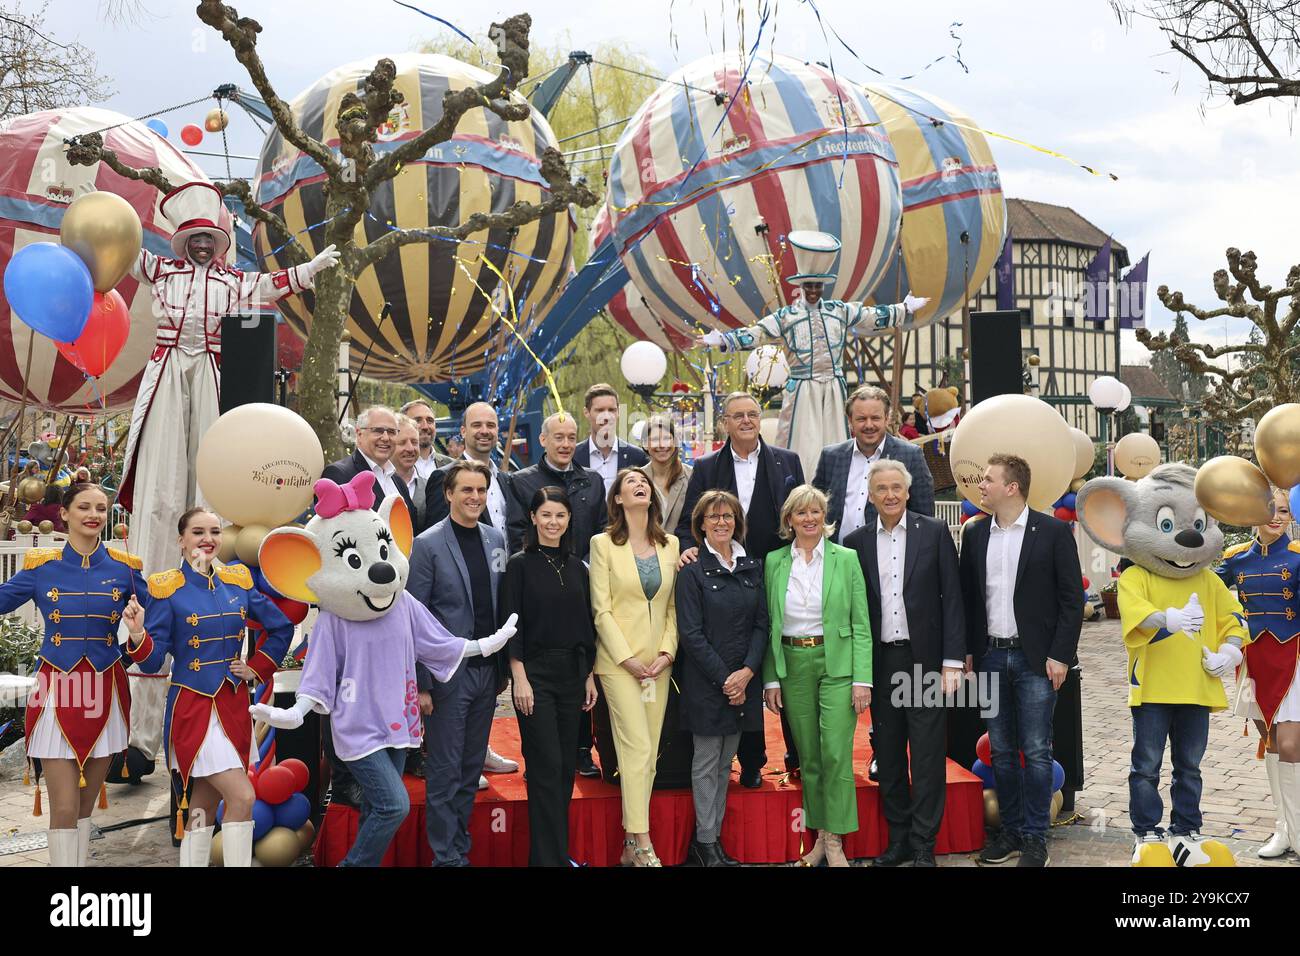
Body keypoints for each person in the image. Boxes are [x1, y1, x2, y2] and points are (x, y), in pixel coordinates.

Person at [134, 508, 295, 867]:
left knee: (203, 805)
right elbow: (151, 661)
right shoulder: (166, 589)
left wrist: (256, 667)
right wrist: (136, 635)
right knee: (243, 798)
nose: (207, 539)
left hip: (233, 709)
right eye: (197, 532)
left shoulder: (238, 583)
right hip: (193, 711)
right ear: (181, 541)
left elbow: (281, 628)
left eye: (214, 531)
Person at [0, 483, 150, 866]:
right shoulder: (41, 568)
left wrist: (131, 647)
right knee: (64, 808)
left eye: (101, 507)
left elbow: (161, 624)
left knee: (84, 809)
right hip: (57, 692)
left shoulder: (125, 570)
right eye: (84, 506)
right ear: (64, 514)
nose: (94, 514)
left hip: (106, 692)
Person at [697, 230, 926, 476]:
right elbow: (759, 332)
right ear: (802, 286)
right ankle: (795, 487)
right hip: (803, 387)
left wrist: (903, 309)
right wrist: (724, 339)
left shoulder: (838, 311)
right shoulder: (787, 317)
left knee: (835, 440)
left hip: (833, 386)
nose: (814, 290)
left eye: (818, 285)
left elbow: (869, 317)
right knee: (801, 441)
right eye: (809, 285)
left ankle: (837, 485)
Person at [960, 454, 1082, 868]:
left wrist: (1060, 655)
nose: (982, 484)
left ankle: (1035, 838)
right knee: (1002, 750)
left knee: (1036, 748)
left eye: (989, 479)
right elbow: (968, 600)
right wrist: (968, 653)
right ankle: (1010, 831)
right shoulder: (974, 535)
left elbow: (1071, 599)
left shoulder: (1051, 531)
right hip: (991, 656)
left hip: (1035, 660)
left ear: (1011, 487)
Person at [677, 391, 804, 787]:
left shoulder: (788, 461)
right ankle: (750, 759)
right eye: (738, 416)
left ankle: (796, 754)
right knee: (738, 661)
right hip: (725, 580)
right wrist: (688, 552)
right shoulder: (706, 466)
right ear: (725, 424)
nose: (747, 420)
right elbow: (686, 524)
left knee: (780, 663)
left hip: (777, 577)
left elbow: (799, 517)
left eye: (753, 414)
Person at [843, 460, 965, 867]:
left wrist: (951, 661)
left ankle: (924, 842)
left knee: (928, 755)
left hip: (925, 660)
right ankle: (899, 839)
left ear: (908, 492)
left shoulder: (934, 532)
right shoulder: (856, 542)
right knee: (890, 755)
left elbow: (953, 599)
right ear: (872, 495)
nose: (891, 494)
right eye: (882, 489)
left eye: (897, 487)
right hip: (881, 660)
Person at [762, 484, 871, 867]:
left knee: (835, 754)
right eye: (801, 512)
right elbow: (769, 624)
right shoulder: (774, 561)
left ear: (825, 517)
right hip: (792, 664)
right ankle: (821, 840)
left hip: (837, 663)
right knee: (808, 757)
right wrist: (771, 678)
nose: (809, 519)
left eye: (816, 511)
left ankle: (834, 840)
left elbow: (861, 623)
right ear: (789, 519)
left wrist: (863, 679)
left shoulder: (846, 558)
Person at [406, 460, 507, 865]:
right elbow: (415, 618)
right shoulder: (427, 544)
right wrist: (422, 683)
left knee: (469, 770)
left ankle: (456, 849)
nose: (474, 498)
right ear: (448, 494)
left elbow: (501, 605)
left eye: (481, 491)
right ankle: (445, 858)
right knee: (445, 773)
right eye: (466, 490)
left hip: (487, 674)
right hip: (447, 677)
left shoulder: (496, 538)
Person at [501, 487, 599, 866]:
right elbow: (513, 626)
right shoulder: (519, 565)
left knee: (562, 771)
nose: (553, 522)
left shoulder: (578, 567)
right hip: (535, 676)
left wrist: (588, 675)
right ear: (533, 518)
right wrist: (519, 678)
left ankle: (557, 855)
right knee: (544, 768)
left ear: (569, 519)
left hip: (573, 676)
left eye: (560, 515)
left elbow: (585, 626)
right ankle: (548, 860)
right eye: (546, 515)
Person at [590, 467, 680, 866]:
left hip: (659, 666)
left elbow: (674, 608)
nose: (640, 485)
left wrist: (666, 653)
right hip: (618, 664)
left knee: (650, 751)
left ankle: (630, 845)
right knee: (636, 746)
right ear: (618, 499)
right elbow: (601, 610)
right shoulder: (603, 544)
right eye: (630, 483)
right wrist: (627, 658)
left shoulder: (672, 544)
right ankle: (641, 840)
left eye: (644, 482)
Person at [675, 490, 767, 867]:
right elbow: (691, 634)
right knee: (706, 762)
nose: (721, 522)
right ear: (700, 525)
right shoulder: (692, 573)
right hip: (707, 685)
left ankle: (712, 843)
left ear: (737, 522)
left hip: (742, 684)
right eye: (713, 517)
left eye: (727, 516)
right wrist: (726, 679)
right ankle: (705, 843)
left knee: (726, 761)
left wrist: (746, 674)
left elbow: (762, 624)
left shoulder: (752, 567)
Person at [1218, 488, 1300, 859]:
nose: (1276, 516)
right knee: (1269, 742)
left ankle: (1298, 833)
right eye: (1268, 509)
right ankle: (1283, 830)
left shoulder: (1299, 557)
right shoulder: (1235, 559)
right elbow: (1205, 591)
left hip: (1294, 659)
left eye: (1283, 510)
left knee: (1290, 744)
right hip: (1255, 663)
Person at [812, 385, 935, 545]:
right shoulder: (831, 457)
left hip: (889, 560)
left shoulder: (911, 455)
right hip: (837, 560)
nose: (869, 425)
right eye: (861, 419)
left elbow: (923, 517)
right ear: (850, 420)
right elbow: (816, 508)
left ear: (887, 418)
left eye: (875, 418)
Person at [425, 402, 511, 532]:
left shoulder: (506, 480)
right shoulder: (445, 477)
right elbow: (437, 535)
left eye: (491, 425)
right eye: (477, 425)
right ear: (463, 431)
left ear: (497, 430)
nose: (484, 431)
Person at [322, 407, 416, 516]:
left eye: (391, 432)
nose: (385, 438)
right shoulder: (339, 474)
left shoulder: (398, 481)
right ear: (359, 434)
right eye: (378, 430)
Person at [574, 383, 649, 494]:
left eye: (611, 410)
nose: (606, 416)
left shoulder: (638, 457)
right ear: (586, 412)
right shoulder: (573, 457)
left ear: (618, 412)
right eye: (600, 410)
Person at [643, 414, 692, 534]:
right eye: (654, 439)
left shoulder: (692, 476)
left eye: (666, 438)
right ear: (645, 444)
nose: (661, 445)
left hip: (683, 550)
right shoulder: (637, 478)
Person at [399, 400, 454, 481]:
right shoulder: (391, 466)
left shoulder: (452, 466)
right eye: (417, 420)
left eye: (430, 421)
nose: (425, 426)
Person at [393, 416, 427, 533]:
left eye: (414, 442)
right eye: (402, 443)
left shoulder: (429, 487)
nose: (410, 448)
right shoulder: (377, 484)